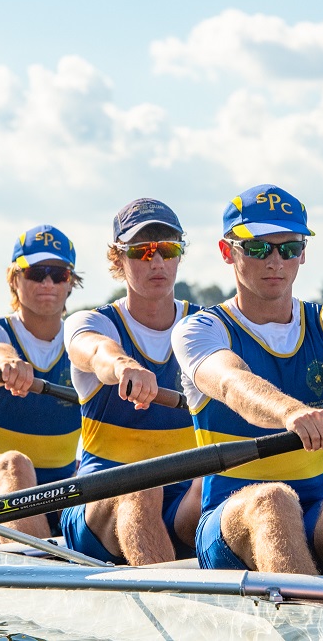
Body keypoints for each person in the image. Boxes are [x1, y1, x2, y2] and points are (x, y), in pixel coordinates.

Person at [171, 184, 323, 575]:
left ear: (302, 254)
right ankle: (310, 628)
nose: (276, 260)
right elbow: (230, 382)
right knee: (272, 501)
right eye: (258, 248)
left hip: (315, 513)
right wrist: (291, 412)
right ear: (227, 252)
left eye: (289, 248)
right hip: (229, 519)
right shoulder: (200, 329)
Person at [61, 199, 202, 566]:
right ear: (118, 260)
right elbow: (94, 352)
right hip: (98, 505)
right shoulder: (91, 323)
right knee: (141, 488)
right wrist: (123, 366)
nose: (156, 262)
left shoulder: (207, 327)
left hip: (183, 506)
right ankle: (173, 603)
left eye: (168, 249)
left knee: (234, 484)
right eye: (142, 251)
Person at [0, 225, 83, 542]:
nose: (48, 282)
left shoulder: (84, 343)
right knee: (15, 466)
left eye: (59, 274)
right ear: (14, 279)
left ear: (70, 283)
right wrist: (4, 362)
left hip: (60, 493)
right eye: (36, 273)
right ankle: (37, 568)